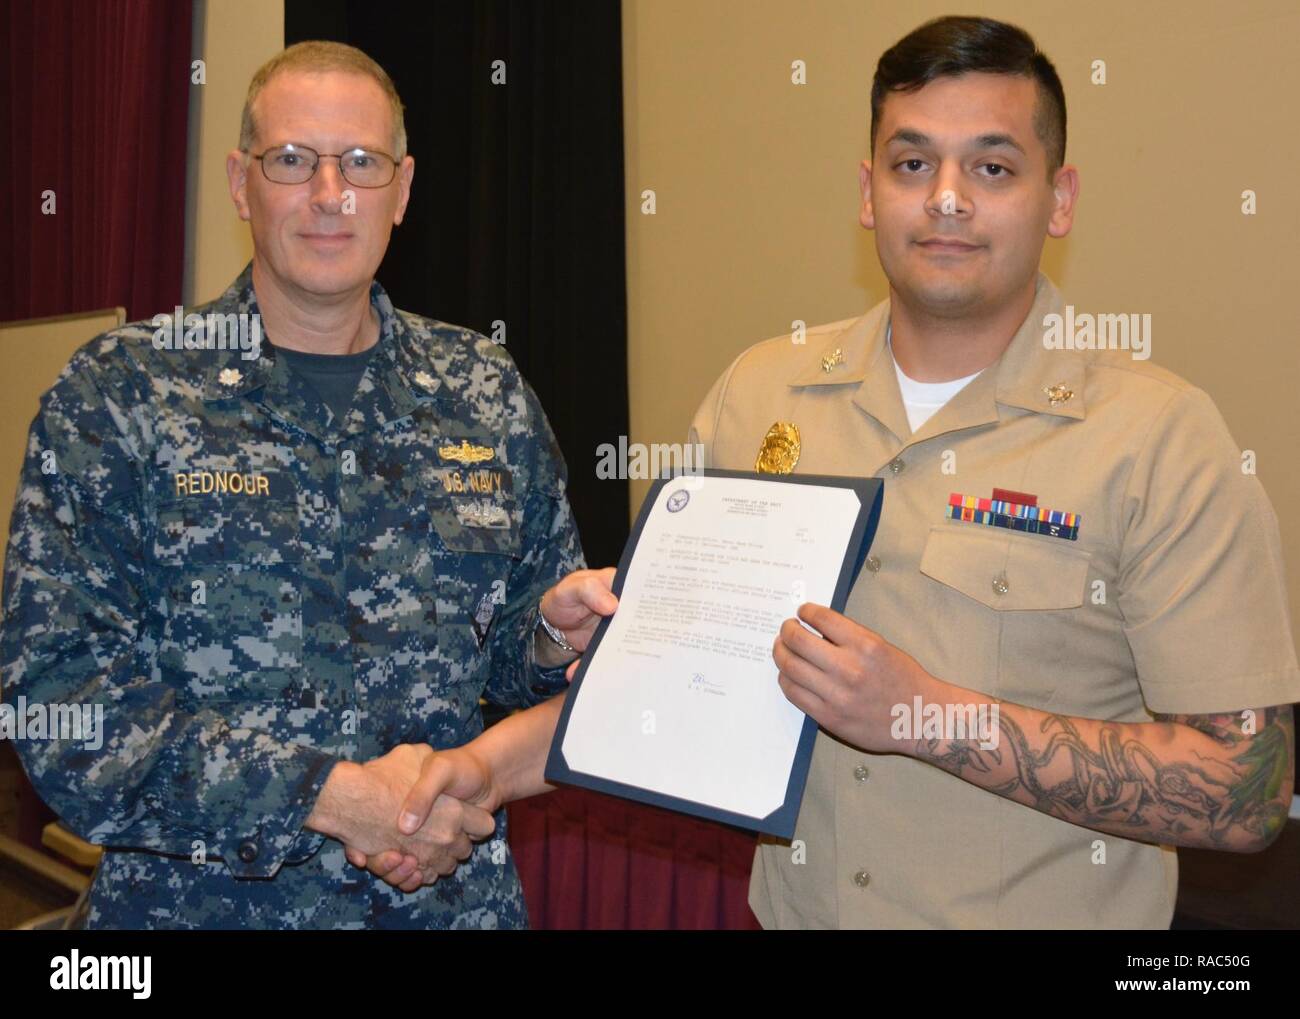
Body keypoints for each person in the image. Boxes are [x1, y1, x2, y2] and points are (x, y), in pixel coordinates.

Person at [682, 16, 1297, 928]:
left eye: (994, 167)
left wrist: (926, 714)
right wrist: (579, 638)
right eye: (912, 163)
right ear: (867, 191)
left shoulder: (1159, 437)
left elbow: (1248, 789)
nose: (947, 200)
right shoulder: (758, 394)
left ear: (1060, 200)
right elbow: (692, 662)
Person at [0, 40, 613, 929]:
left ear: (402, 190)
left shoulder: (484, 394)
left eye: (361, 162)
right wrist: (325, 796)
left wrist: (551, 639)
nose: (331, 194)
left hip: (447, 910)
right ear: (240, 183)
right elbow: (59, 708)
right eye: (293, 160)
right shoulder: (118, 396)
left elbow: (525, 667)